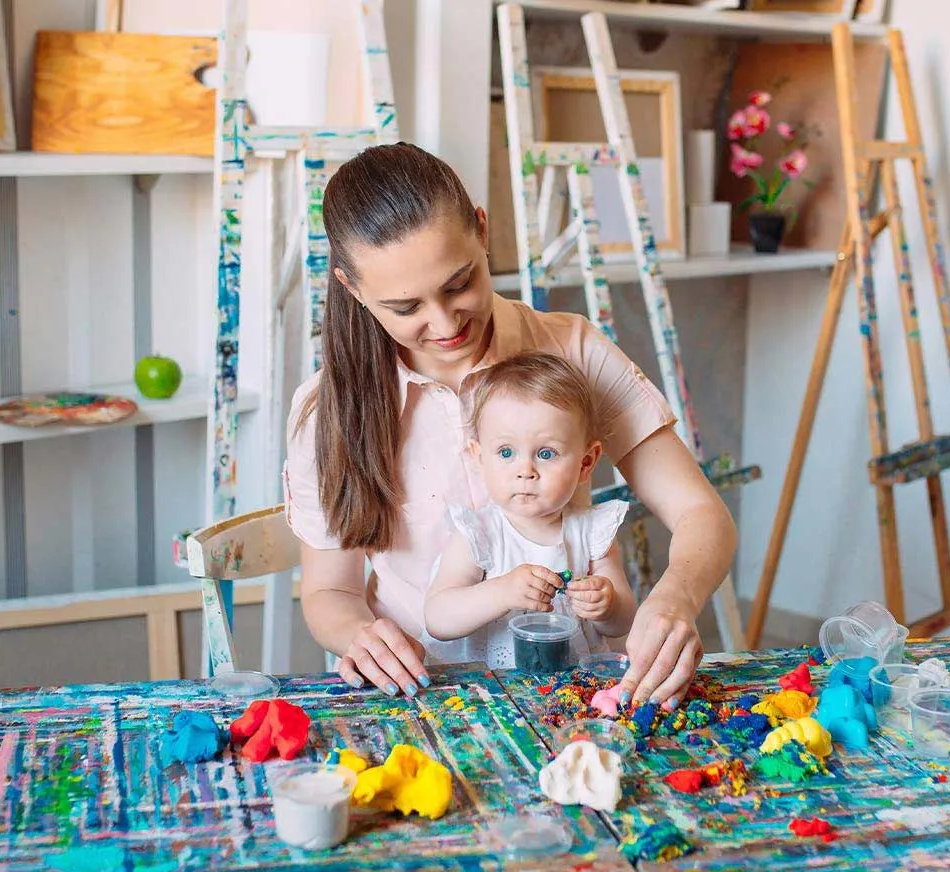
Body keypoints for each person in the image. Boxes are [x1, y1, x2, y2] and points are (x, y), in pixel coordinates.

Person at [283, 142, 737, 710]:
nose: (445, 324)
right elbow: (331, 590)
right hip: (423, 696)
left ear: (481, 229)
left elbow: (701, 514)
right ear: (353, 288)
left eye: (459, 284)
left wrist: (675, 597)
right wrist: (359, 635)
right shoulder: (328, 409)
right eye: (406, 308)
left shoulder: (571, 349)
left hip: (571, 691)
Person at [422, 352, 635, 668]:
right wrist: (501, 593)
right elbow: (438, 619)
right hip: (494, 691)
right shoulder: (479, 533)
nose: (525, 470)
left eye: (546, 453)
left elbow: (623, 623)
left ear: (585, 463)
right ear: (479, 457)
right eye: (506, 452)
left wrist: (606, 605)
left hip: (572, 685)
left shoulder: (593, 533)